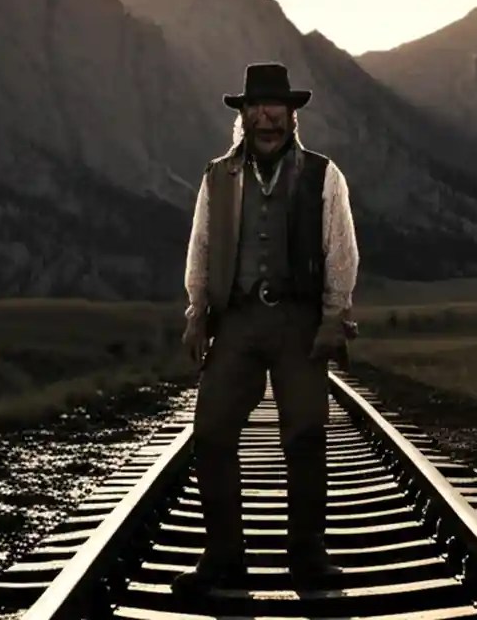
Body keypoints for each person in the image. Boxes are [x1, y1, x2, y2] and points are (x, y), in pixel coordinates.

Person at [174, 62, 360, 594]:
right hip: (236, 319)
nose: (265, 118)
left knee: (305, 435)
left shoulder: (324, 174)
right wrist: (196, 312)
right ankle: (223, 560)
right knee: (210, 433)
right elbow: (202, 248)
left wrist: (333, 316)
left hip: (299, 321)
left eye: (275, 107)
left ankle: (307, 557)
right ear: (243, 115)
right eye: (255, 107)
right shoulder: (218, 176)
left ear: (292, 114)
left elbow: (340, 250)